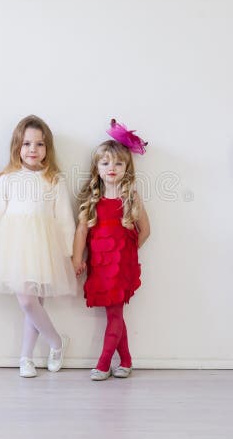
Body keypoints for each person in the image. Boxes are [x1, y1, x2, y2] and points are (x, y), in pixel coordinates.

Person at [0, 115, 76, 378]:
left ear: (48, 148)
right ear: (17, 147)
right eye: (27, 144)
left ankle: (26, 357)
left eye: (40, 144)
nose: (33, 149)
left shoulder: (54, 179)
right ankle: (57, 342)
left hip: (45, 248)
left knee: (35, 303)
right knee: (27, 301)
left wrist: (69, 254)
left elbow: (64, 219)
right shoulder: (8, 178)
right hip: (16, 249)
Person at [73, 120, 150, 380]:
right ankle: (126, 360)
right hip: (99, 265)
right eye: (105, 163)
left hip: (122, 266)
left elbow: (146, 230)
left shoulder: (131, 197)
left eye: (118, 163)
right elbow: (81, 232)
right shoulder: (91, 198)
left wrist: (126, 253)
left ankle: (104, 363)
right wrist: (77, 259)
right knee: (113, 312)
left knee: (115, 312)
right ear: (97, 168)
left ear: (127, 167)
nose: (112, 168)